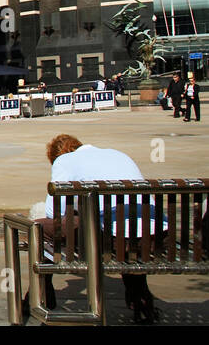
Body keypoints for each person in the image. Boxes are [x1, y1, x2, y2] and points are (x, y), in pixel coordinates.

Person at [32, 134, 160, 324]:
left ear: (56, 156)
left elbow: (54, 211)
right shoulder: (117, 154)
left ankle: (44, 293)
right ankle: (139, 296)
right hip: (153, 236)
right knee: (127, 227)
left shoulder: (64, 160)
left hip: (111, 239)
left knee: (38, 227)